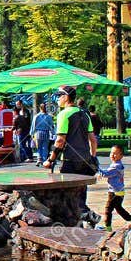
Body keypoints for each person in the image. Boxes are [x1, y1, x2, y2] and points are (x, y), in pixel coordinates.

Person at [45, 86, 99, 225]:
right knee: (81, 192)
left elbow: (60, 140)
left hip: (69, 160)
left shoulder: (64, 114)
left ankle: (85, 217)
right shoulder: (85, 114)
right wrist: (93, 157)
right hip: (85, 160)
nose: (57, 99)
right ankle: (85, 220)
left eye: (59, 96)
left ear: (66, 97)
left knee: (67, 194)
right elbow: (93, 139)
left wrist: (50, 159)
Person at [99, 145, 131, 229]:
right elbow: (108, 172)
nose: (112, 155)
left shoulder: (116, 166)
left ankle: (107, 226)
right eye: (111, 153)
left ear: (121, 156)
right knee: (118, 208)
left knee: (108, 209)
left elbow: (106, 174)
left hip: (114, 192)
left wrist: (97, 167)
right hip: (120, 191)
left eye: (115, 153)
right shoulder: (117, 164)